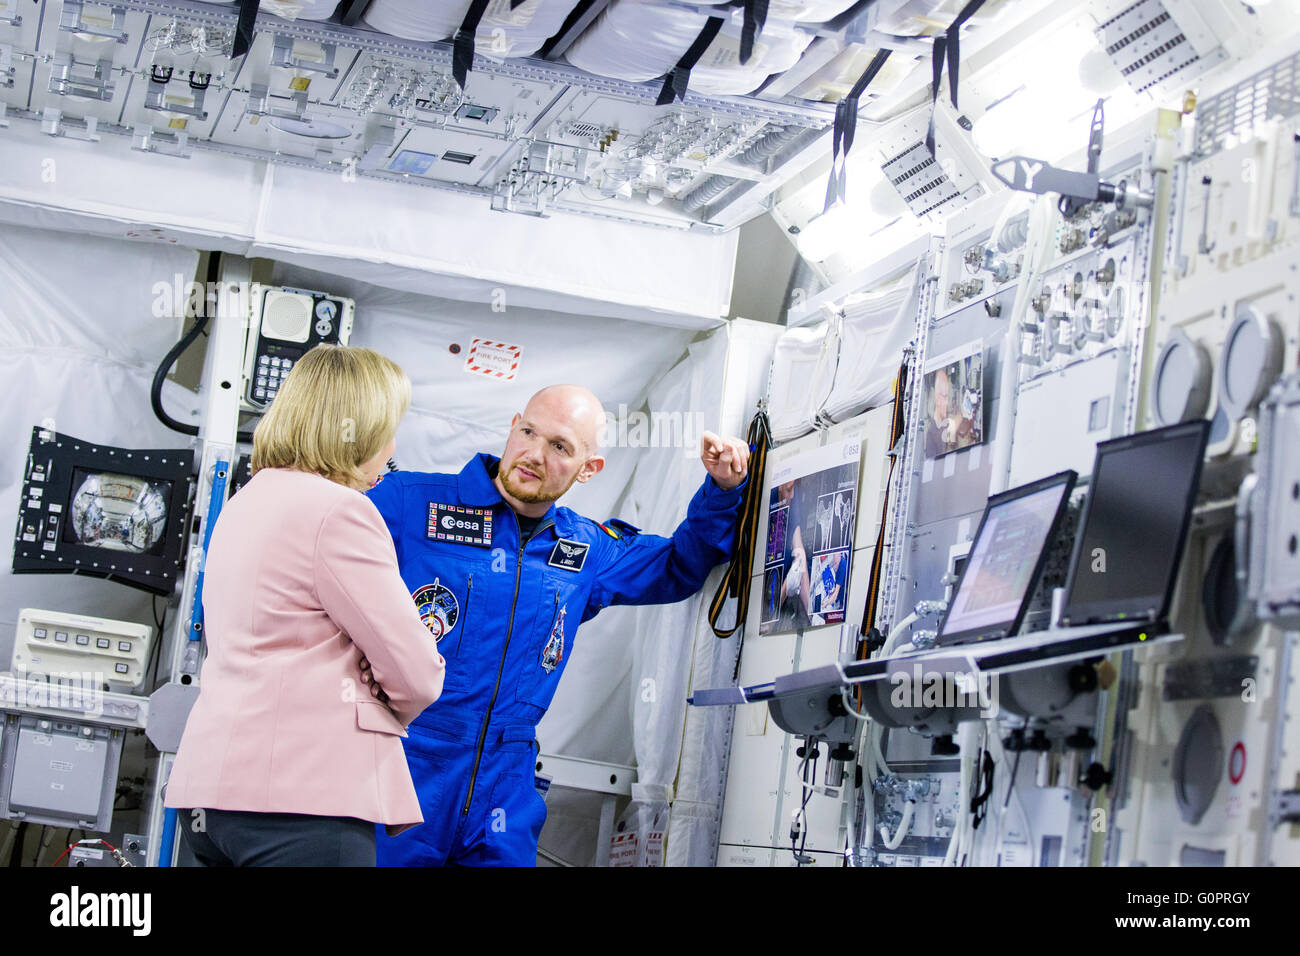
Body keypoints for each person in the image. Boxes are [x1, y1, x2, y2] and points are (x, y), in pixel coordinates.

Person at [367, 384, 750, 866]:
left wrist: (723, 490)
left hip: (506, 782)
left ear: (589, 469)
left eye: (560, 446)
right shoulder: (409, 504)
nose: (533, 454)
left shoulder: (585, 550)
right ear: (512, 426)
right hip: (407, 761)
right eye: (528, 432)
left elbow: (678, 566)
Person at [165, 345, 447, 867]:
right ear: (358, 431)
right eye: (388, 430)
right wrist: (374, 688)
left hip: (210, 797)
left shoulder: (245, 502)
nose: (391, 449)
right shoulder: (341, 512)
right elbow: (417, 674)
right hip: (305, 802)